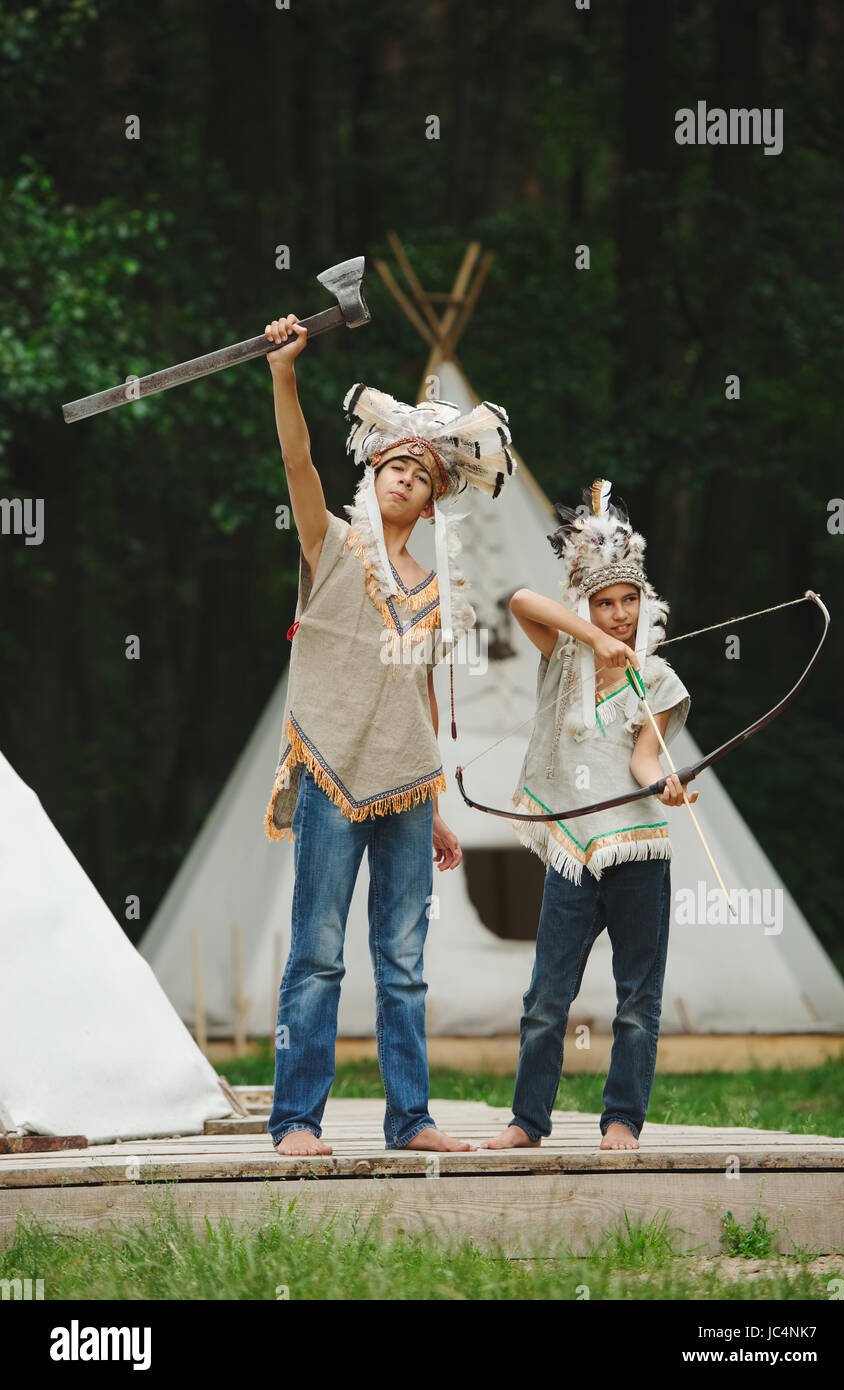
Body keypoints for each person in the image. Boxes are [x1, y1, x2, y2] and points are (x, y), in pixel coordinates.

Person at [263, 313, 515, 1156]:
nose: (403, 476)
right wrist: (286, 374)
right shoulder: (329, 546)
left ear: (437, 493)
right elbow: (298, 461)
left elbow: (416, 702)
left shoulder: (441, 594)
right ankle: (296, 1121)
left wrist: (438, 806)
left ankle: (411, 1119)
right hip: (331, 767)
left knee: (403, 963)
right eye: (392, 463)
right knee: (319, 956)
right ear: (369, 474)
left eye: (419, 469)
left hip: (407, 785)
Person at [482, 478, 695, 1153]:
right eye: (605, 603)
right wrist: (592, 639)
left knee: (637, 1000)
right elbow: (519, 600)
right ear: (587, 607)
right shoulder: (565, 655)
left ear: (643, 602)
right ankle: (527, 1119)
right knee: (547, 1000)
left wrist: (665, 783)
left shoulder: (655, 679)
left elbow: (641, 761)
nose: (619, 615)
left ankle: (621, 1120)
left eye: (628, 601)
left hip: (637, 847)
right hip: (575, 848)